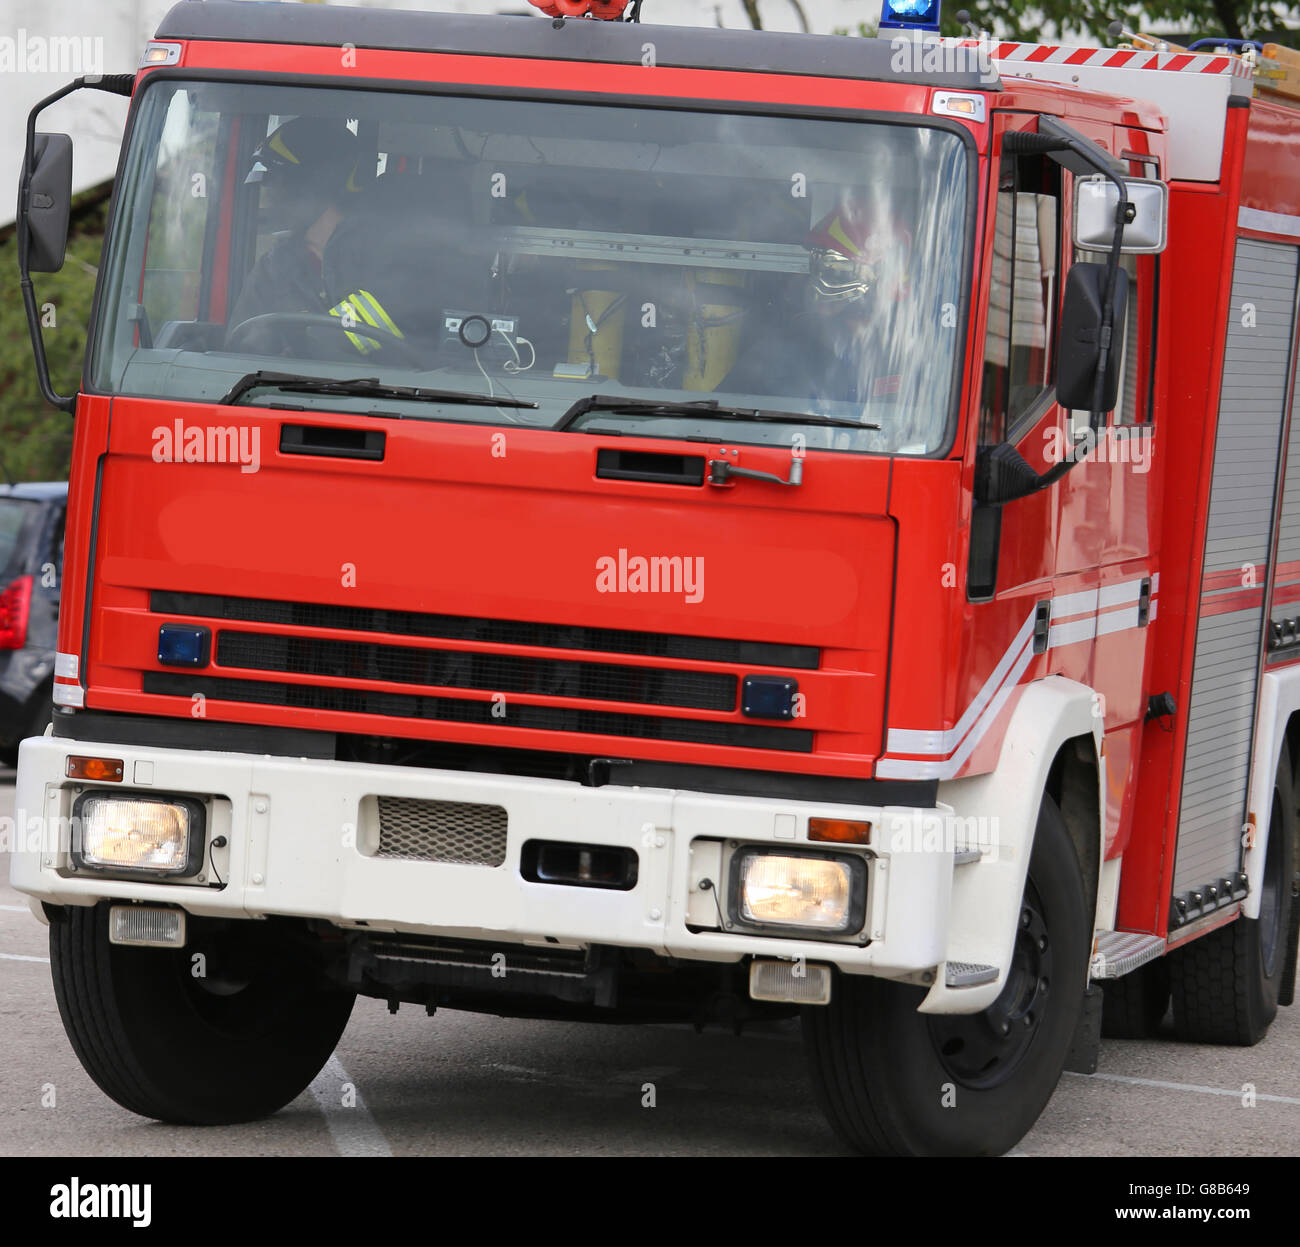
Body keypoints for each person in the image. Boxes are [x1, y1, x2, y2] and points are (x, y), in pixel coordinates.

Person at [226, 116, 405, 358]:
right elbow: (240, 354)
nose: (267, 195)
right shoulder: (275, 267)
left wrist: (305, 345)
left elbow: (389, 355)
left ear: (316, 185)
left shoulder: (390, 261)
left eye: (277, 182)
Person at [722, 200, 910, 405]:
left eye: (837, 271)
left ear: (882, 279)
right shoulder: (782, 351)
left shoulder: (911, 361)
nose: (818, 283)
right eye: (817, 266)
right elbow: (722, 413)